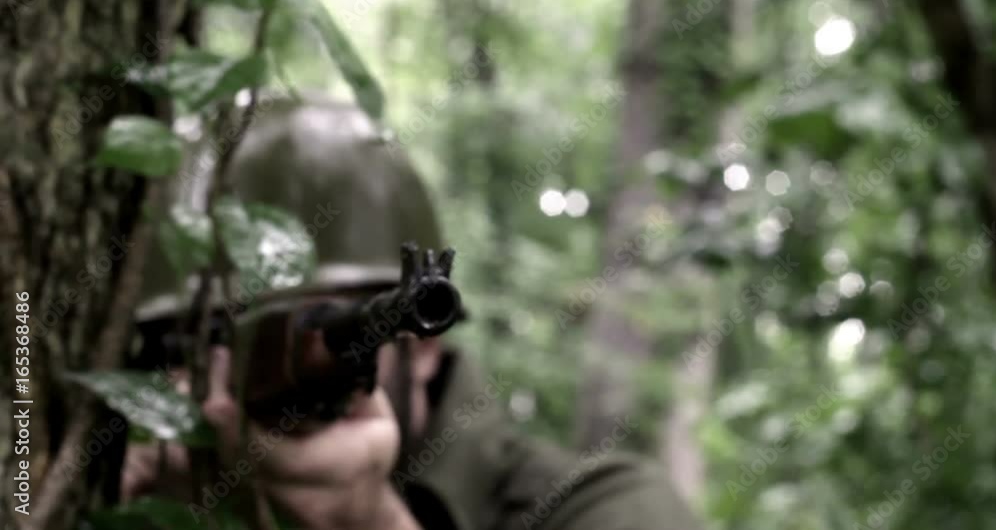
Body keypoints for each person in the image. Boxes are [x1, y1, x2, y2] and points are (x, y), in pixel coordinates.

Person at [124, 93, 704, 530]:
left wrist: (369, 523)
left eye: (322, 323)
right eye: (202, 341)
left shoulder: (601, 505)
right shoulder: (144, 487)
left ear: (422, 345)